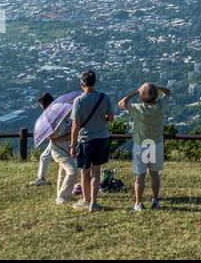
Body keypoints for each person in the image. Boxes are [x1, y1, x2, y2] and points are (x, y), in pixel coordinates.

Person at [118, 82, 171, 211]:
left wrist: (137, 91)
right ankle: (156, 201)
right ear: (156, 96)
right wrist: (155, 88)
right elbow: (168, 92)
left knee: (140, 176)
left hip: (141, 144)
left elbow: (122, 103)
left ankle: (138, 203)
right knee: (154, 174)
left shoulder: (138, 108)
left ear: (142, 96)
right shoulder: (160, 106)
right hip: (156, 143)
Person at [69, 70, 113, 212]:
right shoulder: (104, 97)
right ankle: (94, 202)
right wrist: (101, 119)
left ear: (82, 84)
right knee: (96, 171)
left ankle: (85, 199)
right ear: (95, 82)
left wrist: (72, 144)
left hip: (85, 139)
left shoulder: (79, 101)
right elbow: (111, 118)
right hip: (102, 138)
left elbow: (75, 125)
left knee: (84, 171)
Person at [29, 93, 56, 187]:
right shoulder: (59, 109)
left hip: (58, 139)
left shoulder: (49, 114)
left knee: (45, 156)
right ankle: (41, 178)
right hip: (62, 138)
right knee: (44, 156)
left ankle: (41, 178)